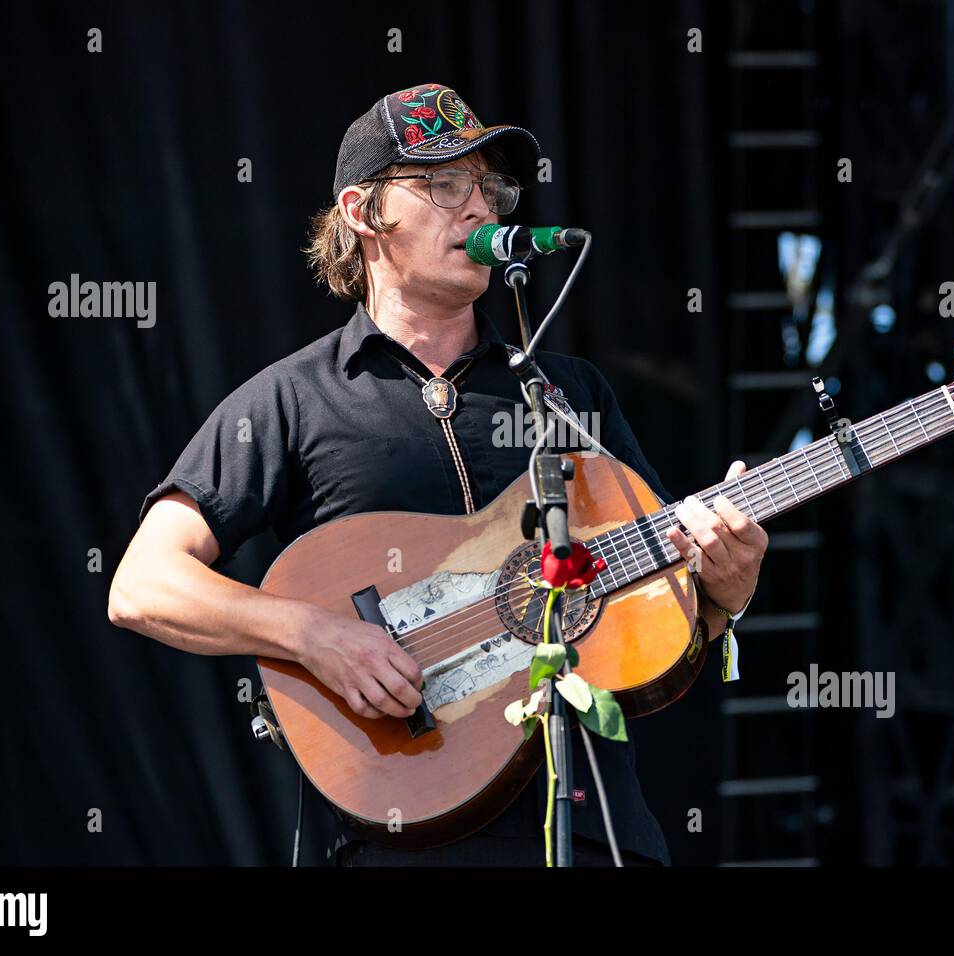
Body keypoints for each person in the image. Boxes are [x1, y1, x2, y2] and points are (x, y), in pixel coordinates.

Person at [108, 82, 767, 867]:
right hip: (405, 835)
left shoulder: (568, 393)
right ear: (362, 212)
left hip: (598, 830)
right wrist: (315, 636)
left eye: (491, 189)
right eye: (446, 185)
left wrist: (728, 592)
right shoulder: (292, 399)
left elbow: (656, 622)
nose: (482, 210)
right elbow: (143, 584)